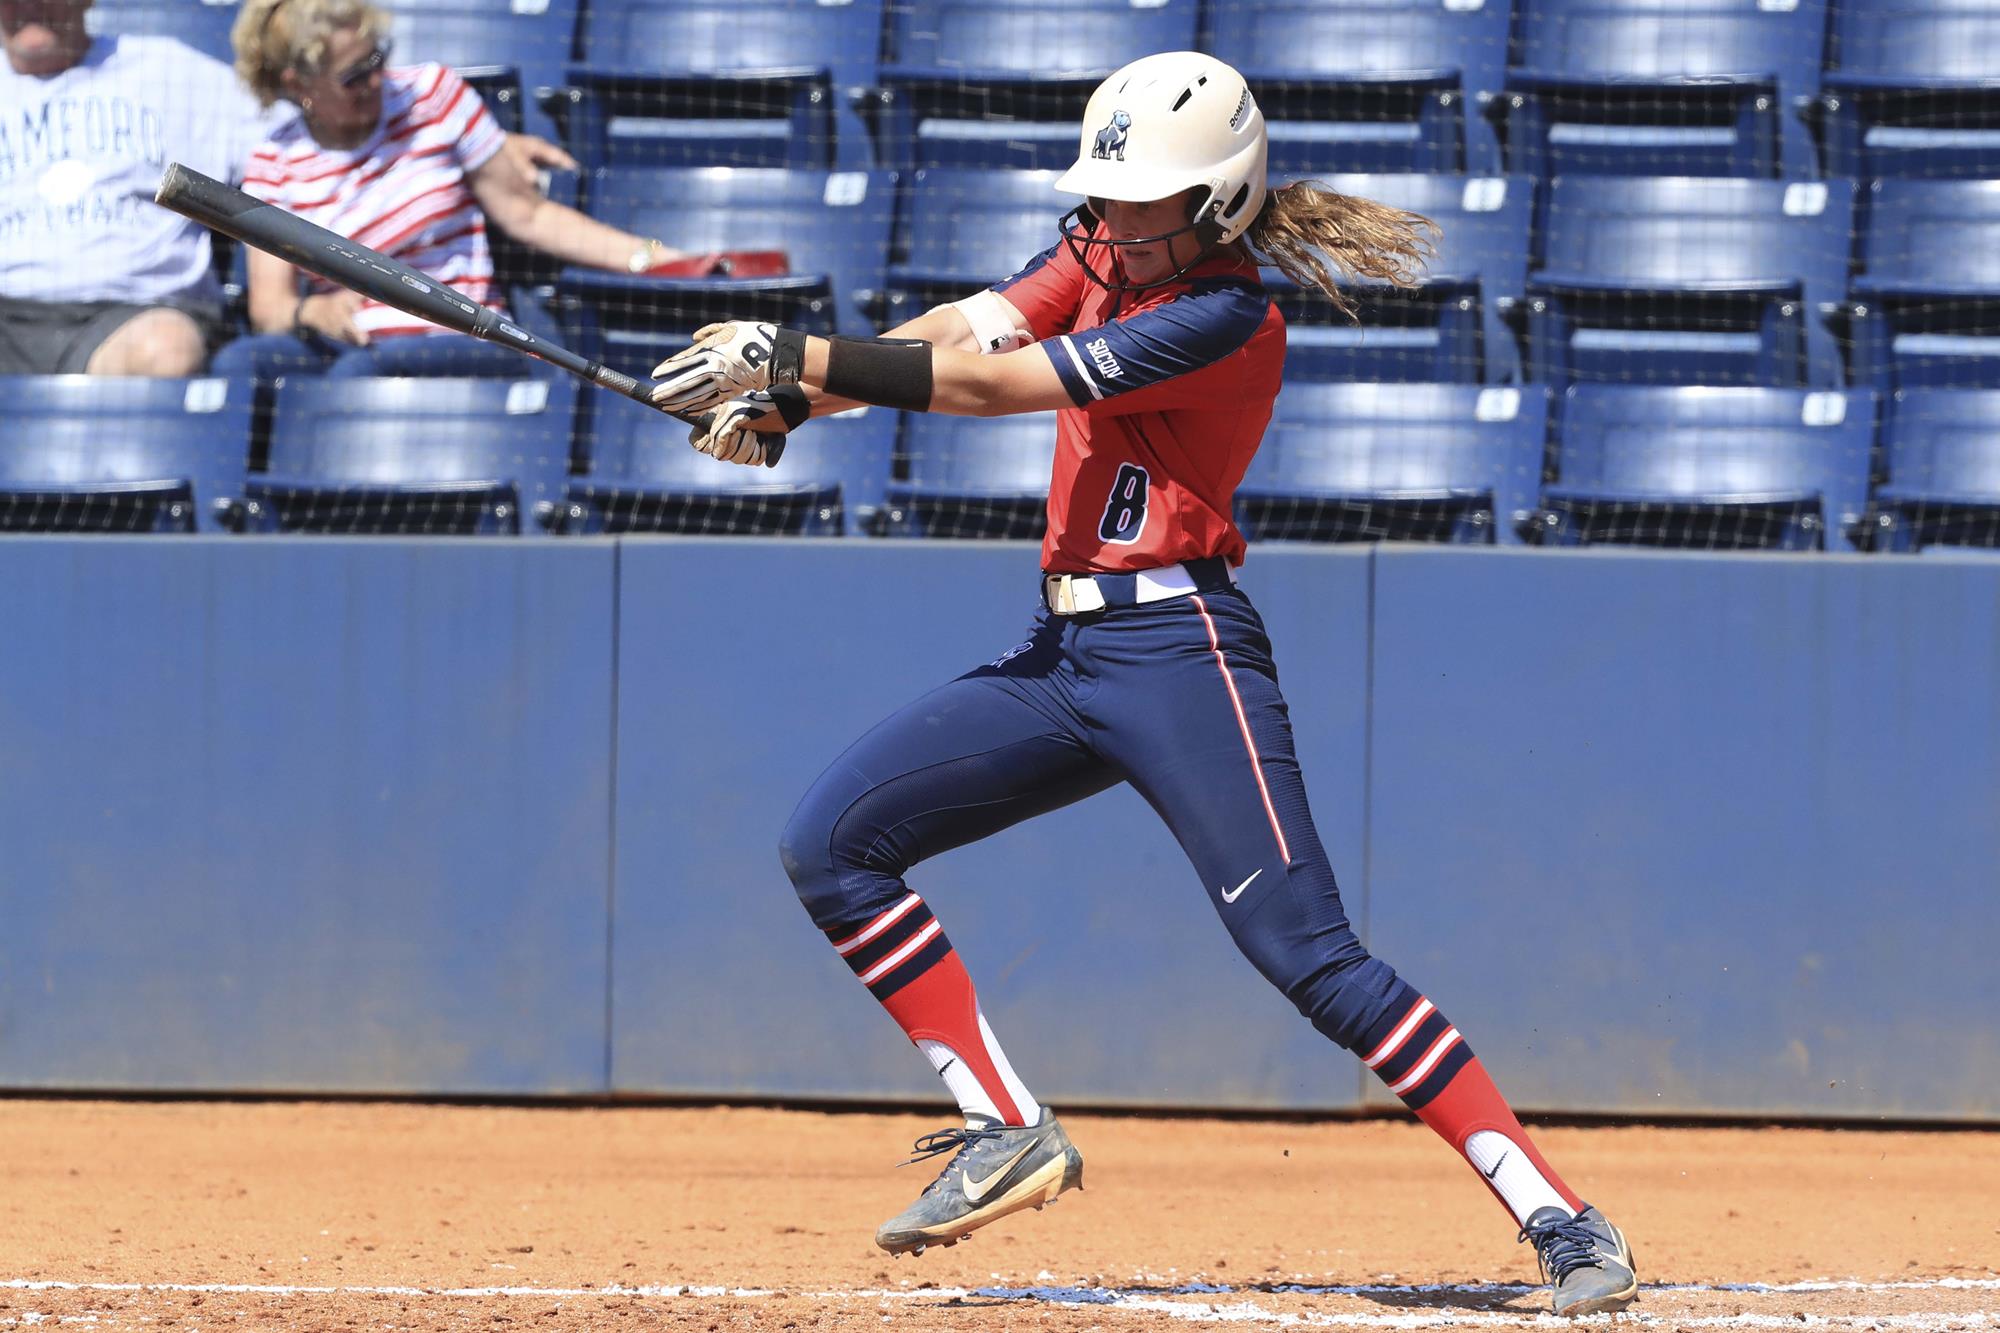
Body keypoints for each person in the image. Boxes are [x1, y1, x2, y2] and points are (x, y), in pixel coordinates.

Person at [647, 51, 1639, 1319]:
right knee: (831, 844)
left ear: (1218, 204)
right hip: (1064, 654)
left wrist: (794, 352)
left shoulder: (1223, 315)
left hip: (1182, 657)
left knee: (1311, 959)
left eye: (1142, 199)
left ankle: (1558, 1217)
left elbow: (994, 388)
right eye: (1106, 196)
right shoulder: (1104, 252)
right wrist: (796, 397)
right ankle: (1004, 1125)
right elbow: (963, 332)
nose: (1111, 217)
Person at [214, 0, 703, 380]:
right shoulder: (273, 162)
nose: (377, 79)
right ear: (299, 84)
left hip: (461, 334)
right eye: (354, 76)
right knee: (241, 364)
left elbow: (530, 216)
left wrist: (655, 256)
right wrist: (312, 310)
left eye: (377, 58)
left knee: (360, 374)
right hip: (348, 343)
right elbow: (270, 308)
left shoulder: (431, 94)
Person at [0, 0, 271, 375]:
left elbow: (291, 139)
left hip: (130, 315)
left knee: (167, 347)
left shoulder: (169, 73)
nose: (28, 9)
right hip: (7, 317)